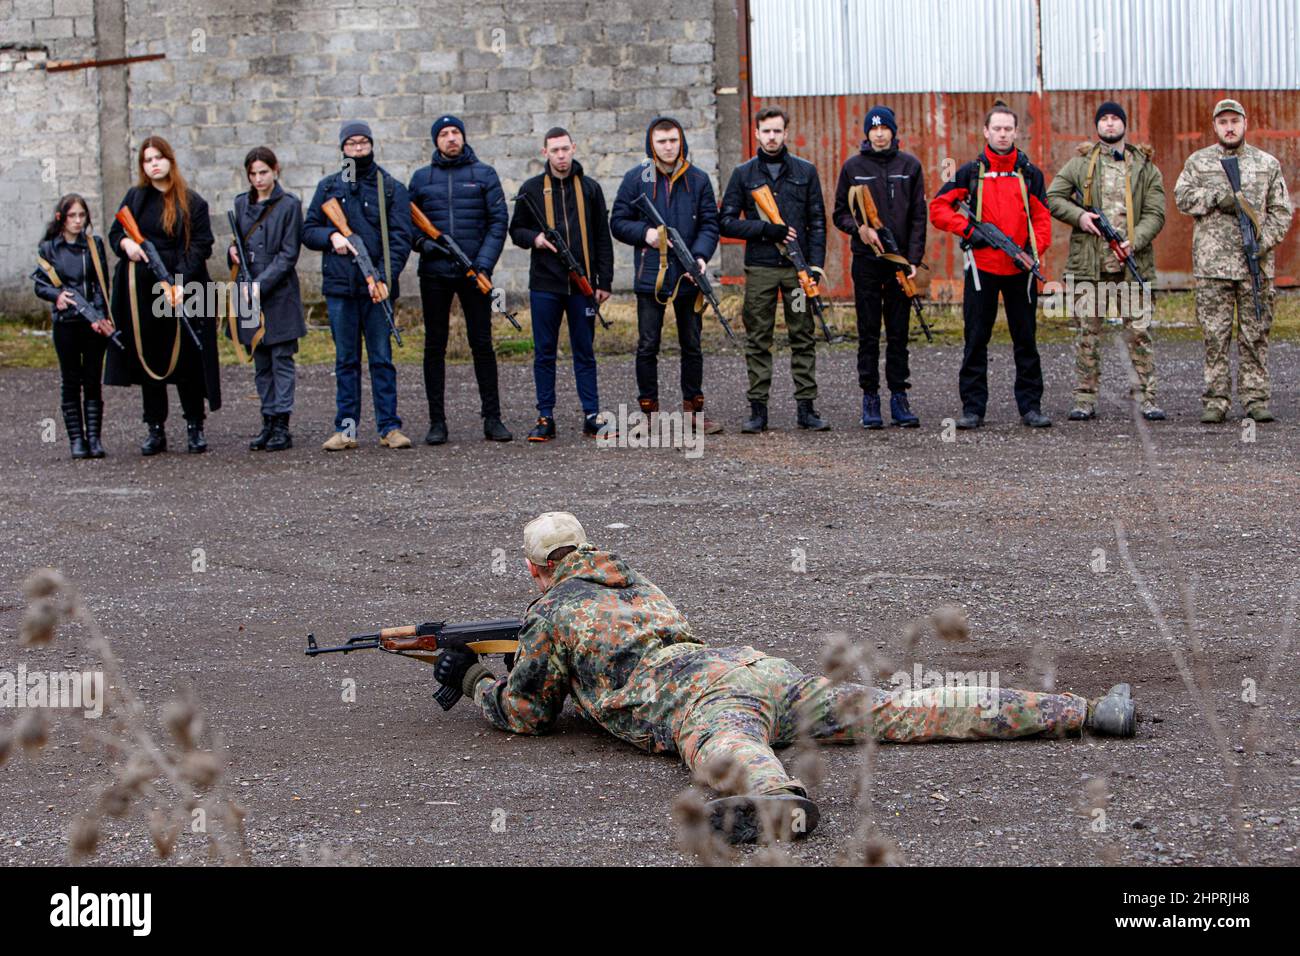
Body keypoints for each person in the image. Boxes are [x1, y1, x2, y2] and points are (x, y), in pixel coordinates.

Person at [435, 512, 1139, 844]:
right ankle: (1082, 711)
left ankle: (779, 804)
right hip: (755, 668)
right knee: (903, 707)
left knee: (730, 750)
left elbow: (528, 714)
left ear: (535, 568)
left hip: (700, 697)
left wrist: (473, 683)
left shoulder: (554, 609)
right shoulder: (630, 577)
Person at [930, 102, 1053, 429]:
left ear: (1016, 132)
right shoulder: (970, 172)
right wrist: (970, 231)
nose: (1002, 134)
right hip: (981, 270)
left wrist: (1031, 252)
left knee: (1026, 341)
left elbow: (1042, 219)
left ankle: (1030, 407)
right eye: (996, 128)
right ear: (986, 131)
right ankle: (973, 409)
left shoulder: (1030, 173)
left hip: (1020, 272)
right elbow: (939, 209)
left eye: (1008, 129)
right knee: (975, 341)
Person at [1174, 99, 1294, 424]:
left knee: (1255, 334)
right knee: (1215, 336)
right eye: (1223, 122)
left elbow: (1282, 209)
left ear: (1244, 124)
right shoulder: (1198, 163)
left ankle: (1255, 399)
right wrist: (1216, 198)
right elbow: (1181, 197)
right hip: (1213, 268)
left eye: (1234, 121)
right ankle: (1216, 400)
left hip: (1255, 267)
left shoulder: (1266, 164)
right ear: (1215, 126)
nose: (1229, 127)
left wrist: (1263, 243)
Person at [1046, 102, 1167, 422]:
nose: (1110, 124)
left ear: (1125, 125)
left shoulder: (1145, 167)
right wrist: (1080, 216)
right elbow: (1053, 198)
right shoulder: (1082, 164)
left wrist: (1135, 241)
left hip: (1132, 263)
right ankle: (1084, 398)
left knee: (1139, 332)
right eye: (1104, 119)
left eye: (1115, 119)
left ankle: (1147, 398)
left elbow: (1156, 213)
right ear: (1097, 126)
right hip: (1090, 264)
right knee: (1088, 332)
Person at [106, 136, 220, 455]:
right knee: (151, 358)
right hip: (144, 289)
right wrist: (127, 245)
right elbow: (117, 233)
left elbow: (201, 244)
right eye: (147, 159)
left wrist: (180, 282)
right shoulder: (136, 198)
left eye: (158, 157)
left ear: (170, 159)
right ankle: (155, 429)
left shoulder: (192, 201)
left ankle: (194, 426)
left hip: (187, 285)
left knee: (189, 358)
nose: (153, 163)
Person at [303, 120, 413, 450]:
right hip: (340, 289)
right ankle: (347, 430)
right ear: (342, 148)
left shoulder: (389, 187)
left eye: (363, 142)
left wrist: (380, 277)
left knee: (381, 359)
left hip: (376, 289)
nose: (358, 148)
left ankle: (389, 428)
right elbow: (308, 231)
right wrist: (331, 236)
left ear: (372, 145)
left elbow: (401, 239)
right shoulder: (328, 188)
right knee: (346, 361)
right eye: (351, 144)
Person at [720, 107, 830, 433]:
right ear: (756, 133)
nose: (771, 137)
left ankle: (806, 409)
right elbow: (726, 222)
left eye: (777, 131)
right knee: (757, 338)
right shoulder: (744, 174)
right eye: (766, 131)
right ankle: (758, 410)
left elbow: (817, 222)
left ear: (786, 133)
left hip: (797, 273)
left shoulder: (805, 171)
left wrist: (815, 266)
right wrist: (766, 230)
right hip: (762, 270)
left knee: (802, 336)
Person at [609, 116, 721, 433]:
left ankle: (693, 413)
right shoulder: (636, 179)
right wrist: (646, 235)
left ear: (681, 141)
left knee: (692, 344)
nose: (668, 146)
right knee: (647, 346)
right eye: (662, 141)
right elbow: (617, 221)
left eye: (673, 140)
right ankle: (649, 416)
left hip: (688, 275)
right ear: (652, 143)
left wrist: (699, 257)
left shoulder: (698, 179)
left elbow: (710, 224)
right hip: (651, 277)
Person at [408, 115, 512, 444]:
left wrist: (482, 265)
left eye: (455, 133)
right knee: (434, 347)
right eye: (444, 133)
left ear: (463, 137)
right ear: (435, 141)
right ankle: (437, 422)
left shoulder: (484, 174)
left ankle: (492, 418)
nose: (451, 138)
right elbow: (408, 223)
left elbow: (498, 222)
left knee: (481, 344)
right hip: (435, 274)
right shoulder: (421, 178)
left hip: (475, 273)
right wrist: (426, 245)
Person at [509, 127, 615, 442]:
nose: (561, 156)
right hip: (545, 285)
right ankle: (545, 416)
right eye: (555, 150)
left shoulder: (591, 189)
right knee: (544, 352)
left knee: (584, 351)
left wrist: (604, 281)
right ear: (545, 153)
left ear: (574, 148)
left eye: (565, 149)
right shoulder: (530, 190)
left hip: (582, 287)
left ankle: (592, 415)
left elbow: (602, 237)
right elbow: (516, 230)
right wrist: (536, 238)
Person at [831, 105, 927, 429]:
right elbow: (839, 212)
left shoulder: (910, 166)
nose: (879, 133)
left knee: (898, 333)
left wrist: (913, 259)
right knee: (868, 333)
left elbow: (918, 217)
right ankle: (869, 397)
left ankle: (899, 397)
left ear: (893, 131)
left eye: (884, 128)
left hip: (899, 263)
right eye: (873, 129)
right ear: (867, 133)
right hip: (867, 262)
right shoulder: (853, 167)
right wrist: (858, 229)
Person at [226, 146, 306, 452]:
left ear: (275, 170)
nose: (259, 179)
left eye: (264, 172)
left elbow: (288, 255)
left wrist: (259, 286)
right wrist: (231, 252)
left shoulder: (289, 205)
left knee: (281, 360)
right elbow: (238, 243)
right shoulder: (240, 204)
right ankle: (267, 420)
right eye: (253, 174)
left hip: (278, 294)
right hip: (247, 291)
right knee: (260, 363)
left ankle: (282, 425)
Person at [32, 194, 115, 459]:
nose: (78, 221)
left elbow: (102, 285)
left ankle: (94, 438)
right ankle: (76, 440)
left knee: (92, 380)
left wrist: (101, 318)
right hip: (66, 324)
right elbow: (39, 283)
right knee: (71, 381)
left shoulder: (94, 245)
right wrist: (56, 297)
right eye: (73, 216)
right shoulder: (49, 248)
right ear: (62, 218)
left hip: (91, 325)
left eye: (82, 216)